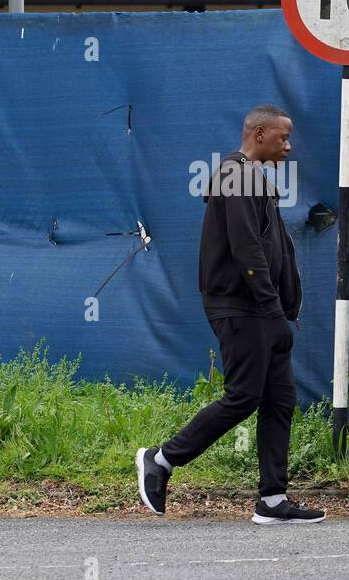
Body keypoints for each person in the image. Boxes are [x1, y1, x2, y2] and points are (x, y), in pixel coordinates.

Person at [137, 104, 325, 524]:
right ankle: (161, 458)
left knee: (280, 399)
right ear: (259, 134)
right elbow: (246, 250)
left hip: (260, 307)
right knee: (244, 396)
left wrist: (282, 305)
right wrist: (274, 310)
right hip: (243, 308)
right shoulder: (238, 175)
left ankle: (273, 500)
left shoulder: (249, 177)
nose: (289, 147)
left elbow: (270, 247)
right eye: (283, 137)